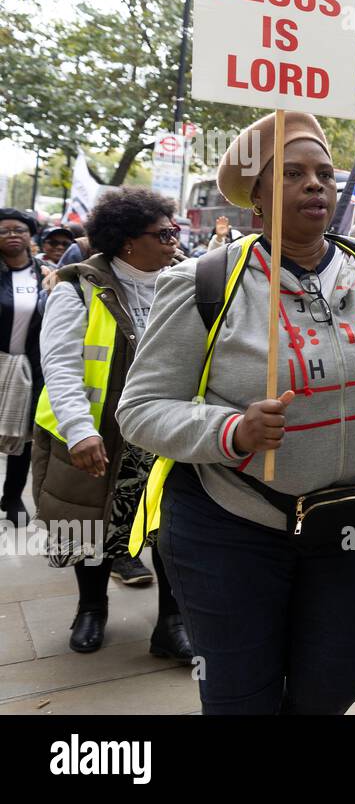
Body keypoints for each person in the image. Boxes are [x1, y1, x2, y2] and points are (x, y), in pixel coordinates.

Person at [117, 111, 355, 714]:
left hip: (349, 523)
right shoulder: (200, 284)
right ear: (257, 198)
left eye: (324, 172)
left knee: (340, 677)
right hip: (230, 528)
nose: (316, 184)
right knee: (243, 699)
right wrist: (232, 431)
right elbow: (138, 410)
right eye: (292, 173)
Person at [31, 189, 192, 656]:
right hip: (96, 432)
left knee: (169, 528)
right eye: (163, 233)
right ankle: (91, 609)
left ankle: (172, 623)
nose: (173, 241)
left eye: (175, 231)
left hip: (168, 430)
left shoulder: (185, 281)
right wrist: (81, 430)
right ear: (126, 243)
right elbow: (59, 364)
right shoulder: (78, 286)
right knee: (92, 524)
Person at [0, 208, 46, 527]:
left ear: (30, 236)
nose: (13, 235)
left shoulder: (45, 274)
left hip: (29, 367)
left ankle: (13, 495)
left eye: (20, 230)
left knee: (24, 433)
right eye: (4, 231)